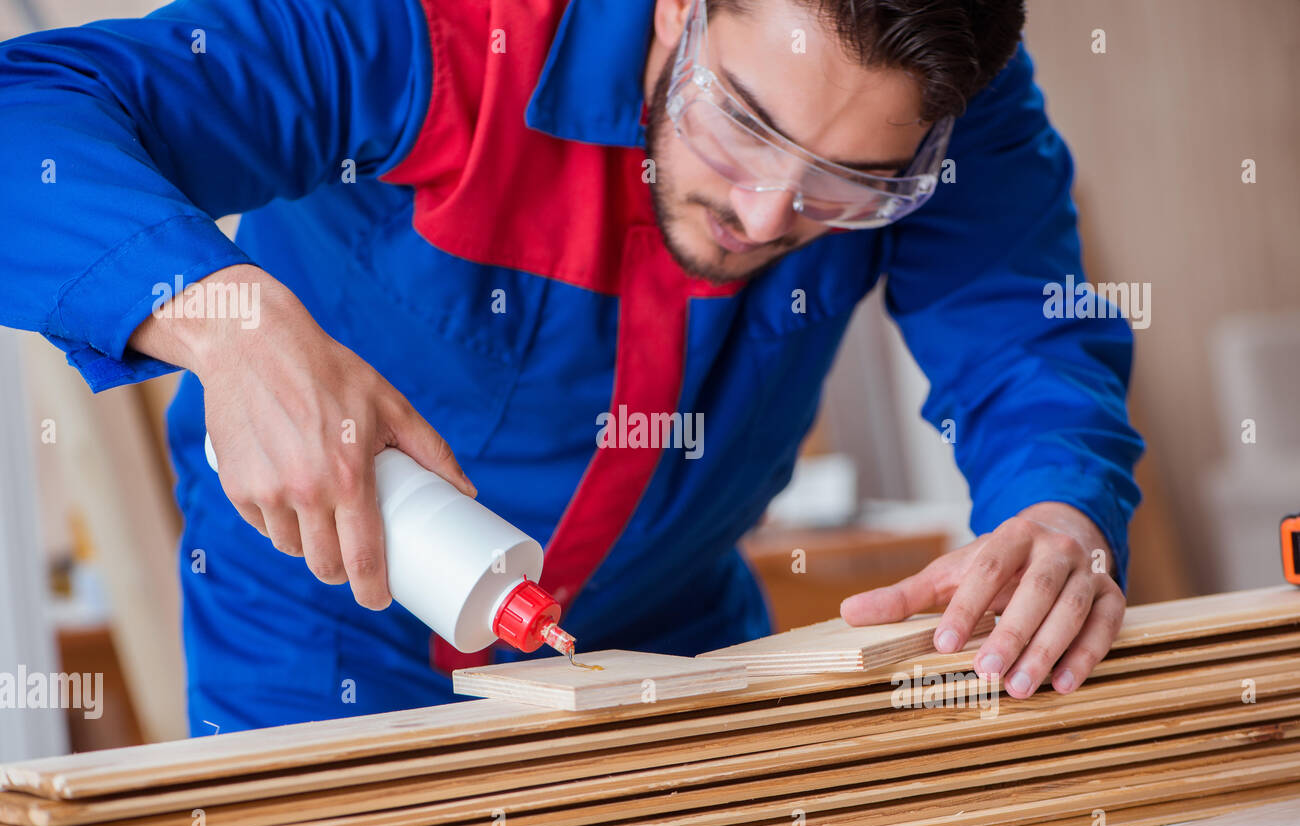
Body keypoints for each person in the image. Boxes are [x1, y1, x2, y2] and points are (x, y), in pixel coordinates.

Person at [0, 0, 1143, 734]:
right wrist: (223, 318)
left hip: (666, 639)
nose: (760, 213)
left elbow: (1023, 328)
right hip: (323, 655)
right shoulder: (438, 26)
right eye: (740, 123)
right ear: (676, 11)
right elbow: (26, 117)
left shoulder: (942, 99)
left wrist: (1058, 508)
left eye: (843, 184)